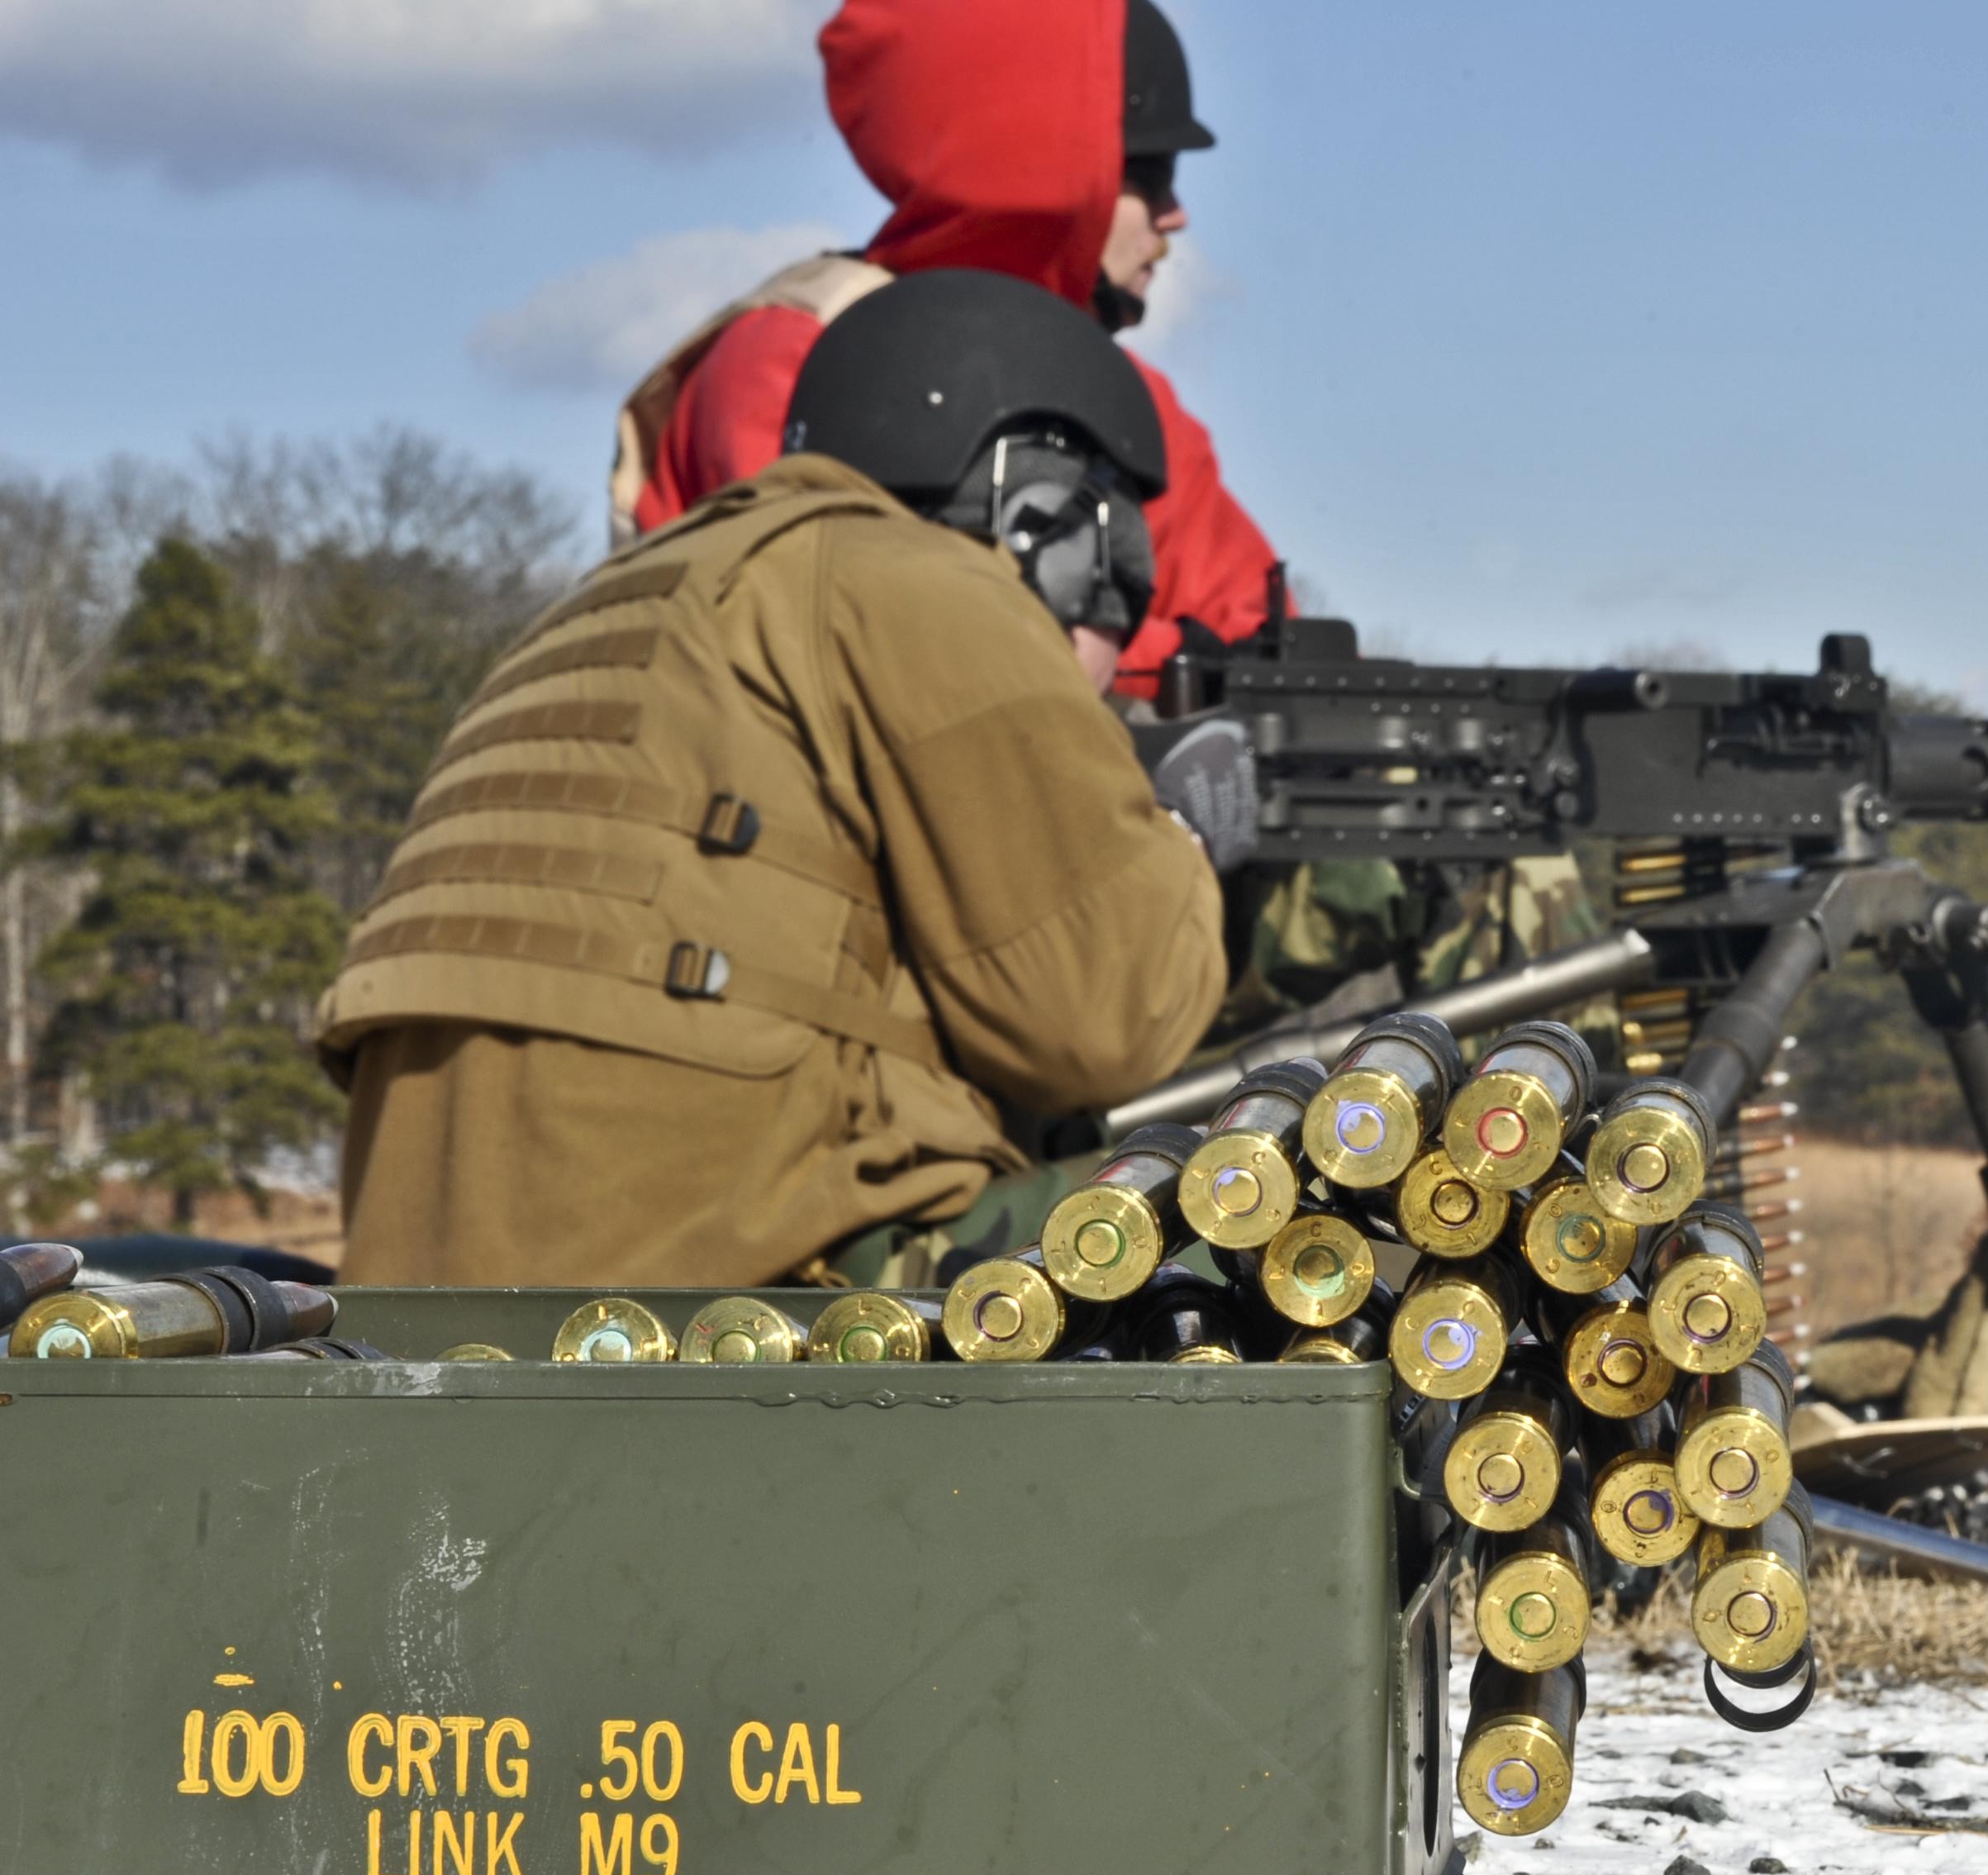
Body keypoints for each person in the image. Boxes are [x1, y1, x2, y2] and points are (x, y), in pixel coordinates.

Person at [325, 271, 1234, 1289]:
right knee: (1272, 1211)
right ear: (1038, 523)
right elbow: (1106, 1022)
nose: (1114, 648)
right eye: (1118, 578)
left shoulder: (606, 609)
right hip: (735, 1284)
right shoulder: (926, 582)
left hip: (429, 1293)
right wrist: (1186, 831)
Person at [610, 0, 1283, 667]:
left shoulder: (1132, 409)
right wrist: (1162, 653)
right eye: (1150, 176)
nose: (1176, 215)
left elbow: (1264, 633)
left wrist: (1146, 647)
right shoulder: (796, 361)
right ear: (1052, 166)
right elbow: (828, 629)